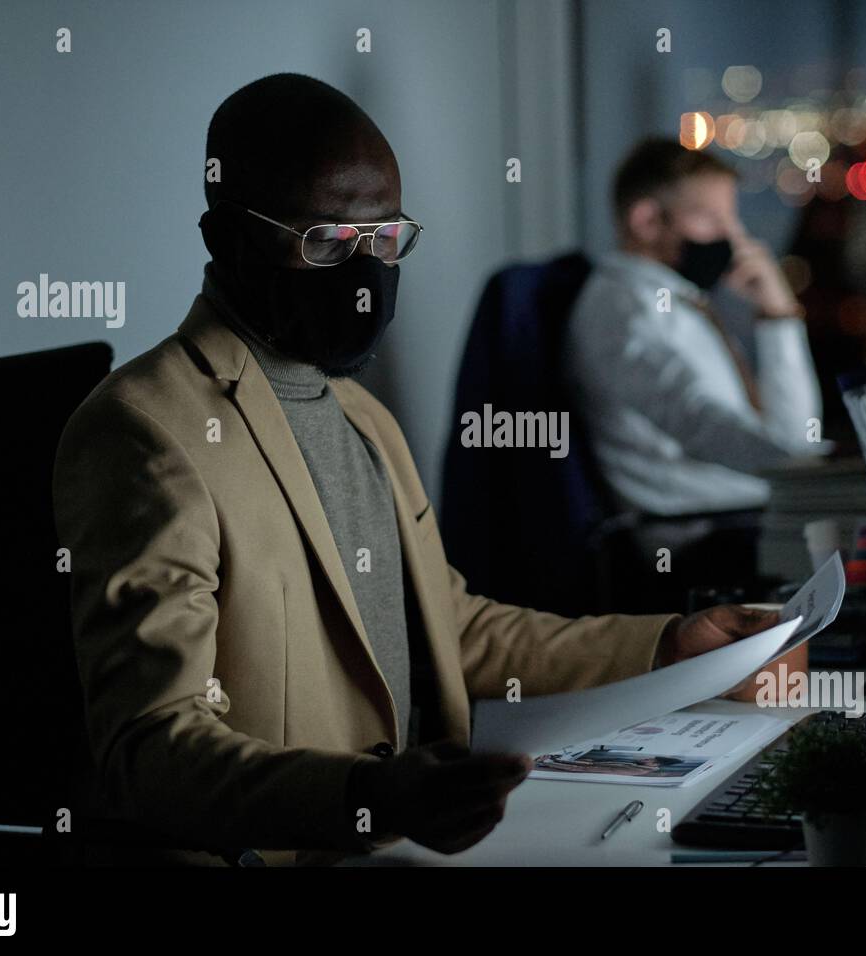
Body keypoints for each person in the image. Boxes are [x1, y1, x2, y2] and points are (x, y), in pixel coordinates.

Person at [52, 74, 782, 865]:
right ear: (228, 239)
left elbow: (451, 627)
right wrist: (363, 799)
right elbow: (148, 751)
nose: (367, 277)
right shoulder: (145, 432)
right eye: (329, 242)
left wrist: (670, 645)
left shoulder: (362, 417)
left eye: (387, 239)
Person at [566, 137, 827, 518]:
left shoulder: (682, 302)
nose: (736, 239)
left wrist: (778, 315)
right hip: (701, 533)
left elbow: (794, 431)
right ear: (647, 221)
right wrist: (810, 468)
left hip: (756, 509)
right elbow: (696, 419)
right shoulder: (621, 311)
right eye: (711, 218)